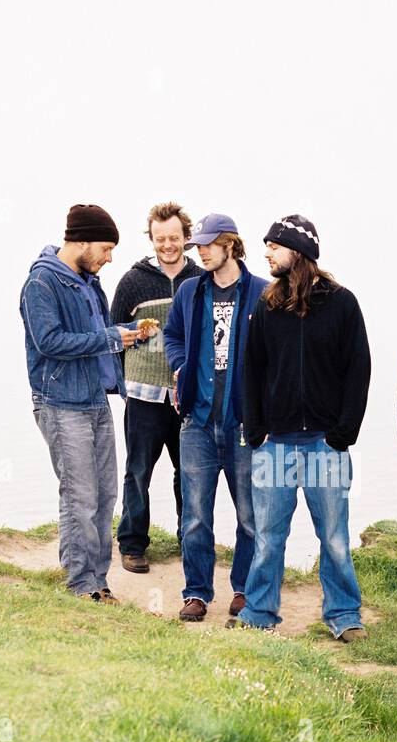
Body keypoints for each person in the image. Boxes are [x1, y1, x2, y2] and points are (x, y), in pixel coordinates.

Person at [238, 215, 371, 641]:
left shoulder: (342, 303)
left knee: (333, 537)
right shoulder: (267, 304)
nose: (267, 253)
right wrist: (254, 430)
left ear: (299, 251)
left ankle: (344, 616)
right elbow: (252, 370)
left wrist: (343, 433)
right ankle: (259, 614)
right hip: (274, 444)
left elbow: (358, 371)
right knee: (268, 537)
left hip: (325, 445)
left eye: (274, 246)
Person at [20, 204, 153, 602]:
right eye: (106, 248)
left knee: (105, 494)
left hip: (96, 399)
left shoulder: (89, 281)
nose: (110, 258)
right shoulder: (41, 283)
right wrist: (114, 338)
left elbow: (97, 332)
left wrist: (130, 332)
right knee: (79, 495)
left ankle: (99, 580)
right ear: (82, 241)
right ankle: (81, 585)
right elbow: (51, 342)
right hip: (60, 403)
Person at [162, 213, 268, 622]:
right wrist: (180, 366)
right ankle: (197, 593)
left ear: (231, 244)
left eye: (208, 244)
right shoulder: (189, 292)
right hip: (197, 424)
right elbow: (173, 335)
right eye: (198, 246)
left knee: (249, 517)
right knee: (195, 517)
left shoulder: (262, 292)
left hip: (244, 426)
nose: (201, 251)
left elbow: (278, 351)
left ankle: (243, 589)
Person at [110, 202, 202, 572]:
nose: (168, 245)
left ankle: (190, 542)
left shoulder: (200, 278)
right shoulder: (132, 282)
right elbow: (113, 334)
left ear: (186, 237)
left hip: (189, 394)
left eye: (175, 238)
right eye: (160, 238)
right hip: (144, 394)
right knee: (138, 471)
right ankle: (132, 544)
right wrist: (126, 381)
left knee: (191, 471)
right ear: (151, 238)